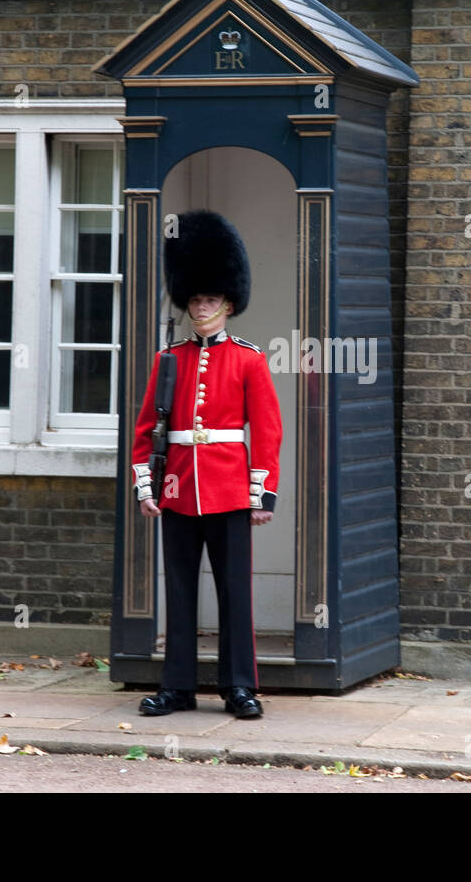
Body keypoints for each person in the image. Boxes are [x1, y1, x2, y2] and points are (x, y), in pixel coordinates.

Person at [130, 210, 282, 719]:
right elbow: (147, 426)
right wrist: (146, 484)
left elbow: (266, 430)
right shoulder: (168, 358)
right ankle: (177, 686)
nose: (201, 306)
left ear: (228, 303)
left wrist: (262, 493)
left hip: (229, 488)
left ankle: (239, 686)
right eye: (195, 298)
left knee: (235, 591)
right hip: (178, 486)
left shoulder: (249, 359)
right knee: (178, 589)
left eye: (210, 299)